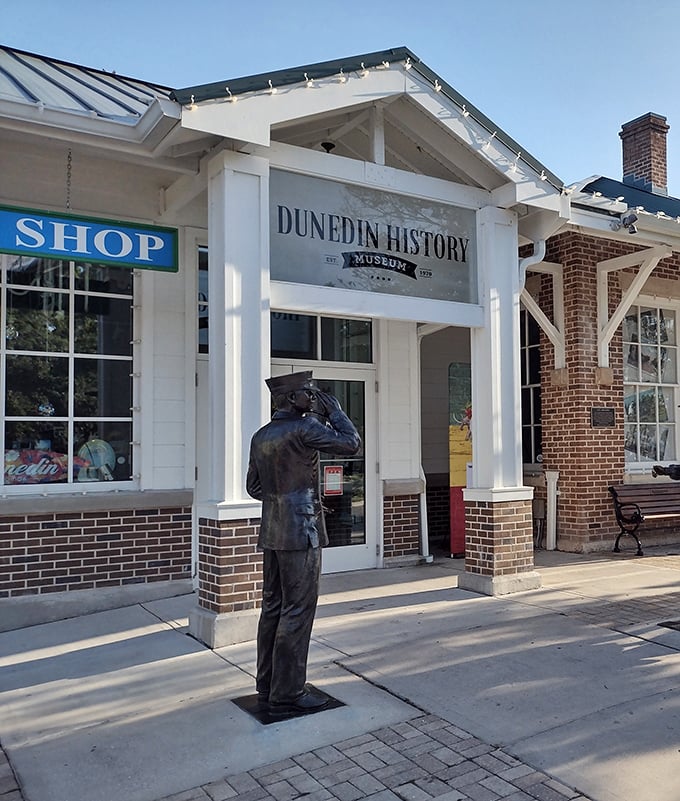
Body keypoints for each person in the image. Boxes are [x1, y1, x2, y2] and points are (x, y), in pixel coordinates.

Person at [246, 371, 361, 716]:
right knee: (297, 609)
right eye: (308, 395)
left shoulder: (261, 435)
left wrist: (283, 499)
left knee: (273, 607)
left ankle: (267, 683)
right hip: (301, 530)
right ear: (291, 397)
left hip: (273, 530)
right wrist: (336, 410)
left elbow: (254, 488)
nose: (312, 400)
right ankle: (290, 691)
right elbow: (351, 442)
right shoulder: (305, 428)